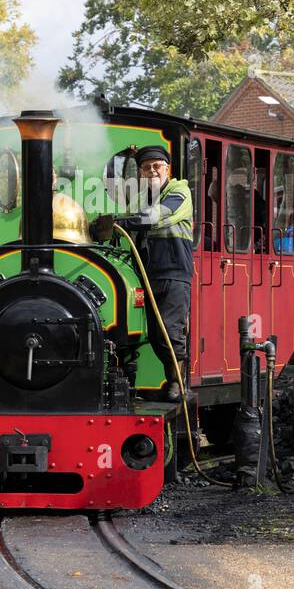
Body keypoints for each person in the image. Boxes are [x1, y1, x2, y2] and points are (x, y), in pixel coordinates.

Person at [89, 145, 193, 403]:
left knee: (169, 332)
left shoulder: (178, 192)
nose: (151, 171)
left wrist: (119, 223)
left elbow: (154, 217)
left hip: (173, 272)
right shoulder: (138, 198)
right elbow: (115, 192)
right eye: (146, 168)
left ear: (167, 169)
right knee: (143, 331)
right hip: (144, 274)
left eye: (156, 166)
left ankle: (178, 384)